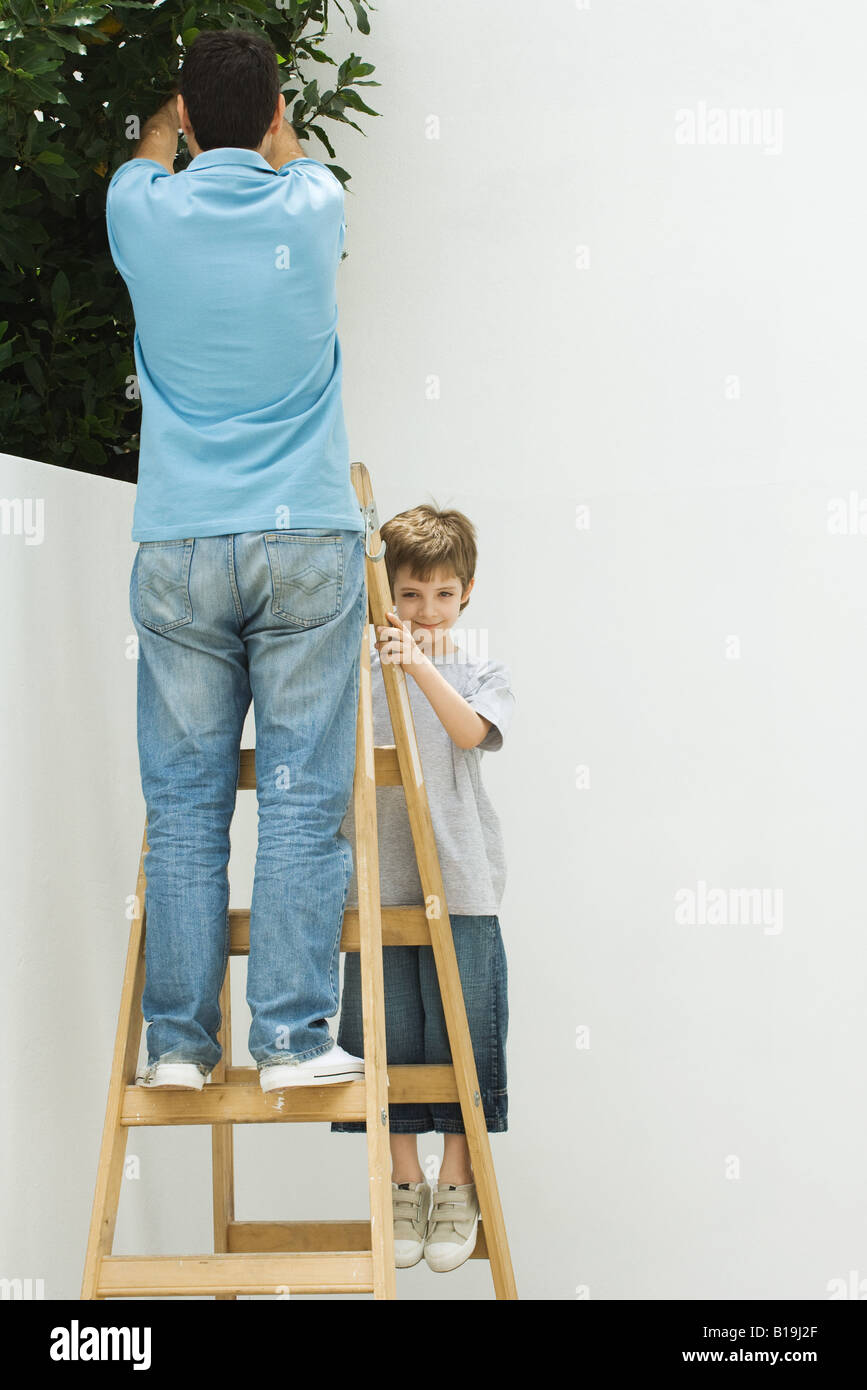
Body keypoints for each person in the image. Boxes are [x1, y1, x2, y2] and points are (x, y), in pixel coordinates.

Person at [105, 27, 369, 1093]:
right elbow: (295, 157)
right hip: (302, 537)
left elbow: (141, 156)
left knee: (182, 802)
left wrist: (171, 119)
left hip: (178, 543)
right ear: (271, 118)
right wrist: (266, 127)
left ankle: (178, 1044)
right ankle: (295, 1042)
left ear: (181, 114)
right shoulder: (313, 209)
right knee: (303, 796)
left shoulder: (141, 212)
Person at [330, 504, 515, 1272]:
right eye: (410, 595)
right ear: (388, 596)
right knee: (391, 1037)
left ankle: (457, 1180)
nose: (426, 609)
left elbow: (470, 732)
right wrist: (379, 658)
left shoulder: (478, 669)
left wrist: (419, 662)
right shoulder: (360, 667)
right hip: (378, 884)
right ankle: (402, 1178)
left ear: (466, 594)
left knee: (462, 1039)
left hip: (460, 883)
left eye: (442, 595)